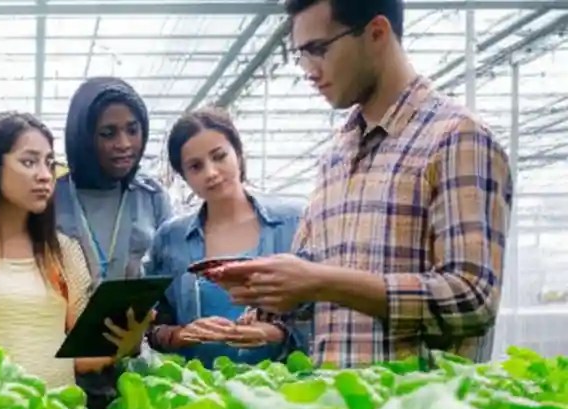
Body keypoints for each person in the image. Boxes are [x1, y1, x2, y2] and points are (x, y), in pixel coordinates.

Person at [209, 0, 513, 368]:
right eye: (301, 56)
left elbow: (472, 298)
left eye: (318, 49)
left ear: (377, 34)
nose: (309, 70)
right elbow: (318, 286)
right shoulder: (335, 156)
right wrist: (273, 289)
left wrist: (322, 281)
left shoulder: (457, 138)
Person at [0, 111, 144, 389]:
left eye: (49, 163)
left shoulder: (64, 250)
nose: (45, 176)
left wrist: (126, 340)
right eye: (29, 162)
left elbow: (80, 358)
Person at [54, 77, 174, 409]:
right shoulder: (52, 196)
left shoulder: (151, 197)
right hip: (67, 361)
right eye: (107, 133)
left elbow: (165, 273)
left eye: (132, 130)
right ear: (83, 137)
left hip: (131, 358)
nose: (124, 144)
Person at [146, 107, 306, 368]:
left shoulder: (293, 223)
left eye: (219, 156)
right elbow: (152, 325)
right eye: (195, 166)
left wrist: (275, 333)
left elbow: (323, 312)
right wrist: (179, 335)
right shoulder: (170, 238)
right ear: (184, 177)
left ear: (239, 154)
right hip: (199, 394)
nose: (211, 172)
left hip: (285, 392)